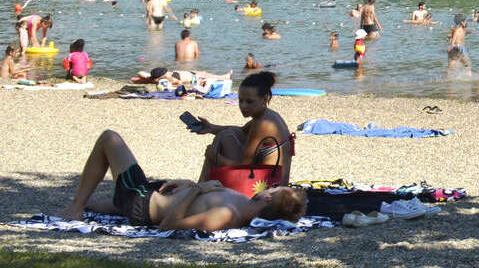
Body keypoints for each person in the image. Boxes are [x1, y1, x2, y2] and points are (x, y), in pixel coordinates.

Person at [63, 129, 306, 230]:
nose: (271, 186)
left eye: (274, 189)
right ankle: (85, 204)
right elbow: (200, 197)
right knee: (95, 204)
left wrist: (196, 189)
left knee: (109, 138)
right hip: (153, 193)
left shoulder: (228, 214)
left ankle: (76, 207)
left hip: (140, 200)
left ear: (267, 198)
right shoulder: (241, 202)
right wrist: (190, 185)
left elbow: (168, 225)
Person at [187, 71, 295, 185]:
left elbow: (244, 166)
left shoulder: (262, 124)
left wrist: (214, 156)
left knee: (224, 137)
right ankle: (202, 185)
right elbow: (241, 131)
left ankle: (201, 185)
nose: (243, 106)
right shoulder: (268, 115)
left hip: (269, 187)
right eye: (240, 100)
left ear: (264, 99)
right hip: (274, 180)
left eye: (249, 102)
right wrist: (211, 128)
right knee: (226, 134)